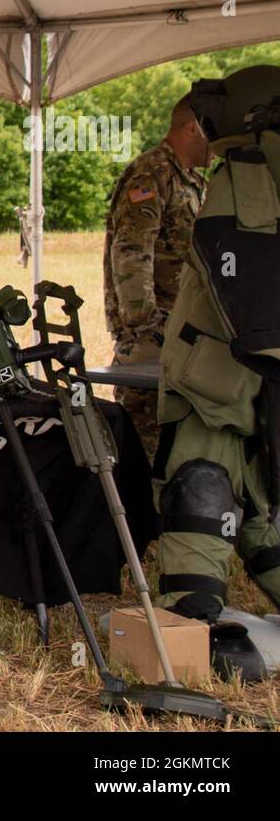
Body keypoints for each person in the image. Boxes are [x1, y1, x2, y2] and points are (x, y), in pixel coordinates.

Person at [154, 66, 280, 642]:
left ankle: (189, 617)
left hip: (218, 373)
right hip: (253, 374)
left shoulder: (248, 173)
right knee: (259, 487)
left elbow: (239, 270)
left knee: (201, 481)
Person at [103, 96, 209, 461]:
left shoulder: (191, 180)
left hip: (178, 335)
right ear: (193, 128)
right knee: (145, 449)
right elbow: (131, 254)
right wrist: (147, 327)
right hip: (153, 340)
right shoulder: (152, 175)